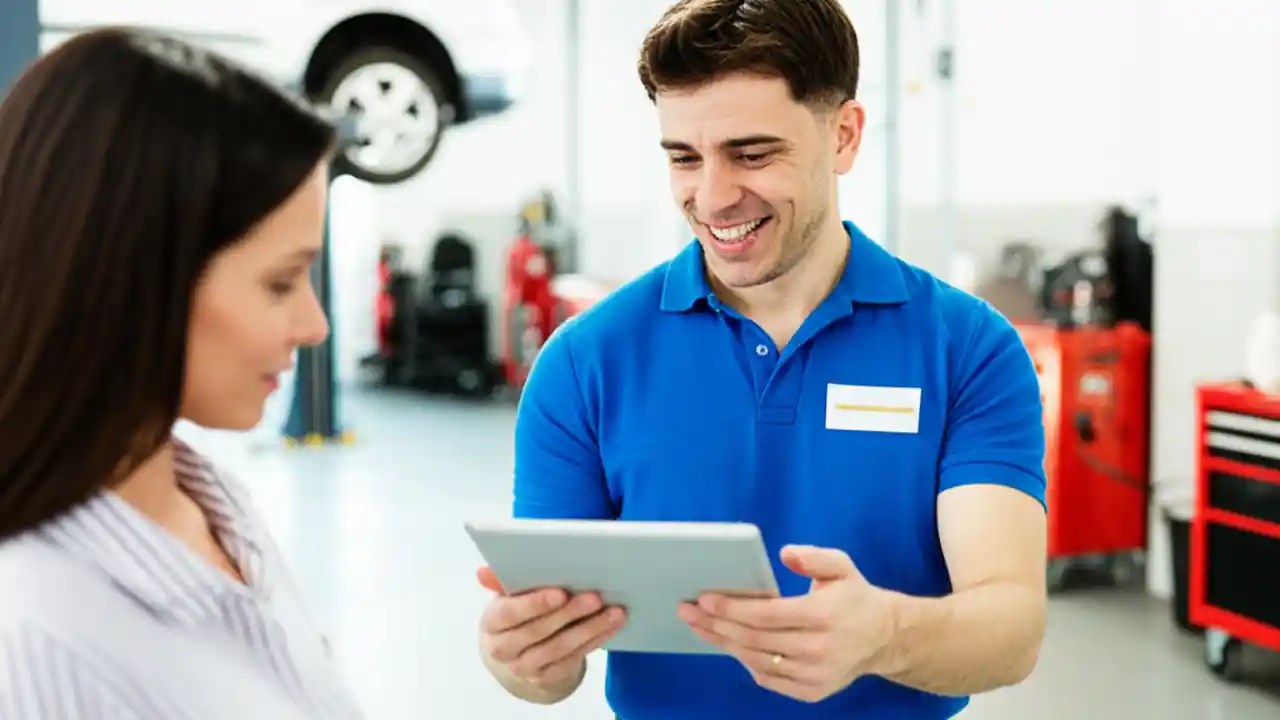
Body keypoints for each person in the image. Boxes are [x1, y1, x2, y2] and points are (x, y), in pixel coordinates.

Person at [477, 0, 1048, 718]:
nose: (712, 197)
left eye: (752, 153)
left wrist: (885, 637)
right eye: (684, 157)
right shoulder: (585, 363)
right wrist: (524, 659)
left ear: (843, 136)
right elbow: (546, 670)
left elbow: (1011, 626)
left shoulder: (969, 351)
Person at [0, 28, 362, 718]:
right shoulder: (35, 643)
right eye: (282, 282)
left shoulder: (218, 506)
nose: (315, 325)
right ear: (131, 280)